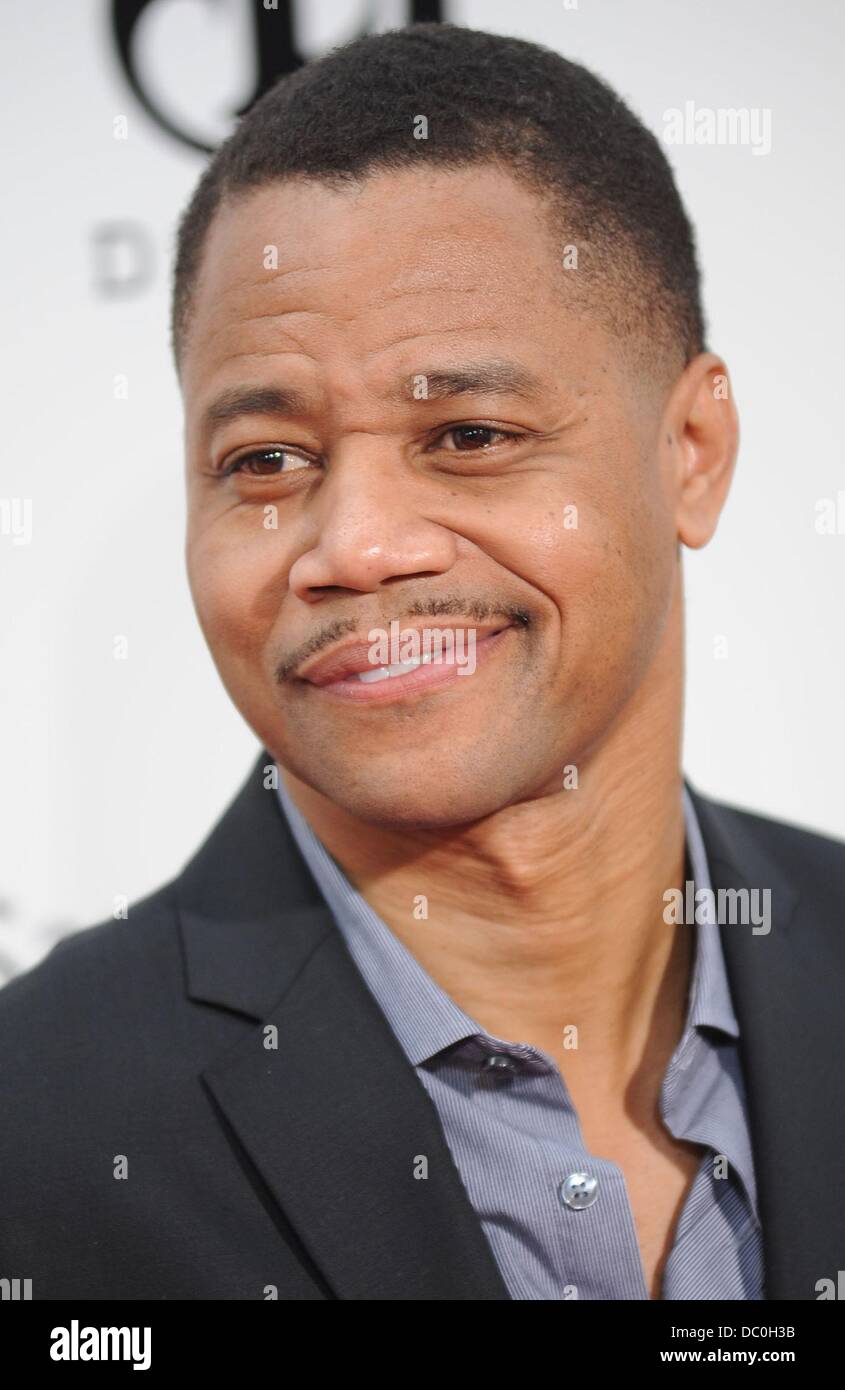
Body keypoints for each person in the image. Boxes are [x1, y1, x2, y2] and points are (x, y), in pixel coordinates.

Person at [1, 22, 842, 1302]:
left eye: (468, 434)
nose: (354, 545)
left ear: (689, 452)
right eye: (265, 461)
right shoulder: (37, 1135)